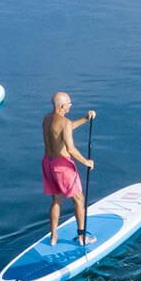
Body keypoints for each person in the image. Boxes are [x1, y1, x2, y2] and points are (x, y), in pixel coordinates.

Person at [41, 92, 96, 245]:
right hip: (62, 166)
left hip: (48, 163)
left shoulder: (47, 119)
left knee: (56, 199)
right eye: (69, 103)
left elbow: (67, 127)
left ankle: (53, 237)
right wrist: (86, 162)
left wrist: (86, 119)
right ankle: (82, 237)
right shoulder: (63, 122)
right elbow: (70, 149)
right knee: (79, 200)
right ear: (62, 106)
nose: (71, 105)